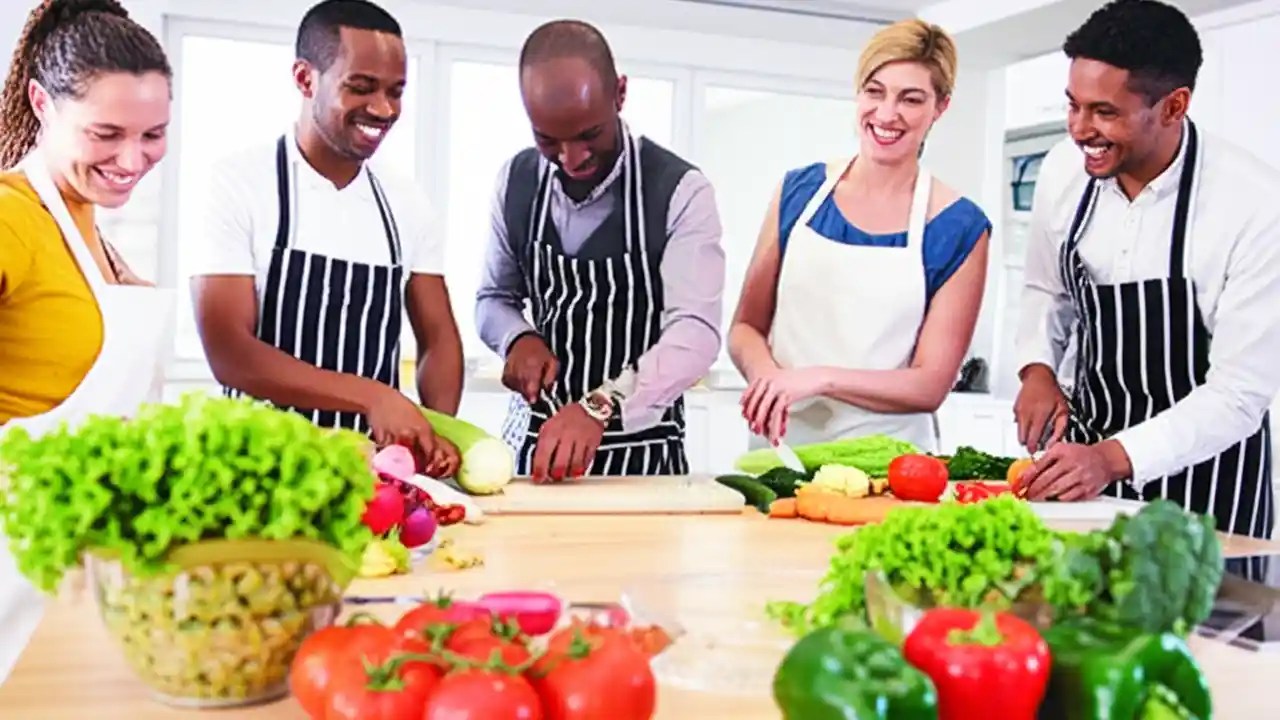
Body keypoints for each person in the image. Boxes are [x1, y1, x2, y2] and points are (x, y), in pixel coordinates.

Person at [1013, 0, 1280, 539]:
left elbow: (1238, 394)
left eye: (1104, 112)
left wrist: (1111, 459)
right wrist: (1037, 369)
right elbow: (1047, 287)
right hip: (1084, 475)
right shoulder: (1064, 173)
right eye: (1073, 105)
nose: (1079, 130)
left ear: (1174, 105)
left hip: (1209, 490)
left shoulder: (1254, 204)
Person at [190, 0, 464, 475]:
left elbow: (439, 338)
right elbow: (229, 352)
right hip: (253, 471)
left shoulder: (408, 204)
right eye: (360, 88)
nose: (382, 109)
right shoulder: (238, 183)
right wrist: (373, 396)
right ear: (304, 78)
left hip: (367, 480)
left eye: (396, 92)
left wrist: (437, 426)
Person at [0, 0, 174, 683]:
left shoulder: (87, 227)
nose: (132, 159)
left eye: (153, 134)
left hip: (83, 575)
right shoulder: (13, 217)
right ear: (42, 103)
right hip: (14, 573)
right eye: (106, 133)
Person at [475, 19, 726, 481]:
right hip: (530, 447)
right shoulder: (515, 182)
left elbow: (696, 332)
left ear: (620, 95)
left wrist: (599, 404)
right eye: (548, 140)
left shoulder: (680, 190)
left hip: (642, 456)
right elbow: (493, 298)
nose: (571, 159)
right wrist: (518, 337)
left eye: (589, 134)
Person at [726, 19, 991, 452]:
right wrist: (768, 379)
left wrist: (820, 378)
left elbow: (930, 384)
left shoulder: (958, 225)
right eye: (875, 91)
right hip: (779, 453)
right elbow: (745, 327)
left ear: (940, 107)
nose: (887, 114)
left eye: (911, 98)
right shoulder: (799, 192)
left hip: (889, 464)